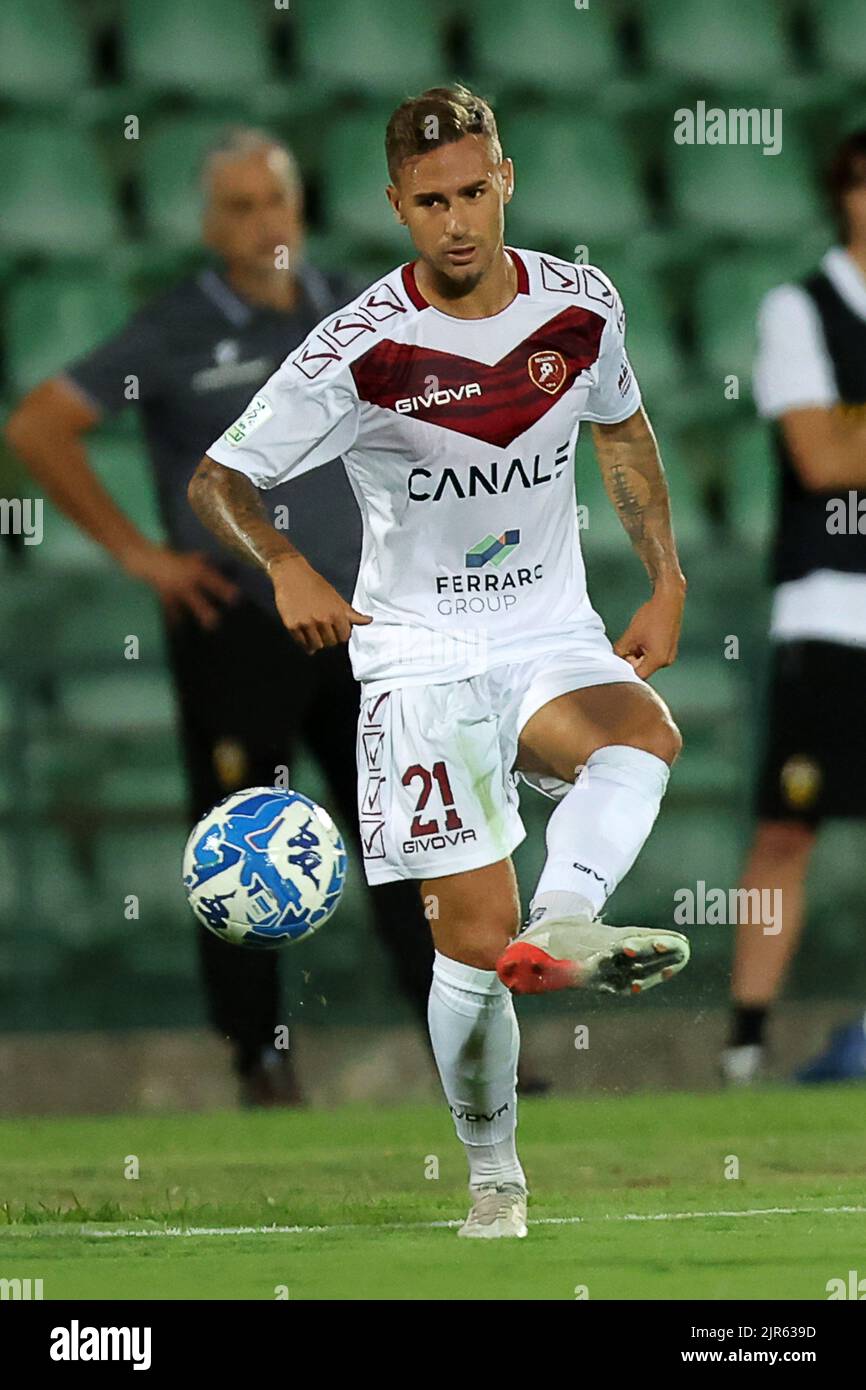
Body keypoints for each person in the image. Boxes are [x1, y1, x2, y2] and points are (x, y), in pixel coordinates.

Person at [188, 86, 691, 1237]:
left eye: (472, 192)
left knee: (642, 734)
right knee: (467, 946)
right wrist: (282, 564)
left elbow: (619, 424)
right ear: (394, 206)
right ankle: (493, 1179)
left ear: (504, 179)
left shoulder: (579, 306)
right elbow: (215, 479)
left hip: (547, 633)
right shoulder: (358, 348)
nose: (456, 221)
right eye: (429, 202)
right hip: (418, 661)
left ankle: (566, 920)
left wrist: (662, 577)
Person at [5, 127, 434, 1107]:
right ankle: (261, 1059)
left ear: (300, 209)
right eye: (237, 207)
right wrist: (139, 554)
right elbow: (37, 424)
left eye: (272, 202)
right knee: (244, 842)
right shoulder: (173, 330)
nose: (260, 223)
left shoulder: (355, 312)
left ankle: (463, 1043)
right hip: (236, 620)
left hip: (366, 620)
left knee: (407, 834)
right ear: (209, 226)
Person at [721, 130, 866, 1086]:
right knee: (787, 828)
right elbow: (822, 458)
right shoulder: (798, 308)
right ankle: (742, 1048)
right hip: (830, 608)